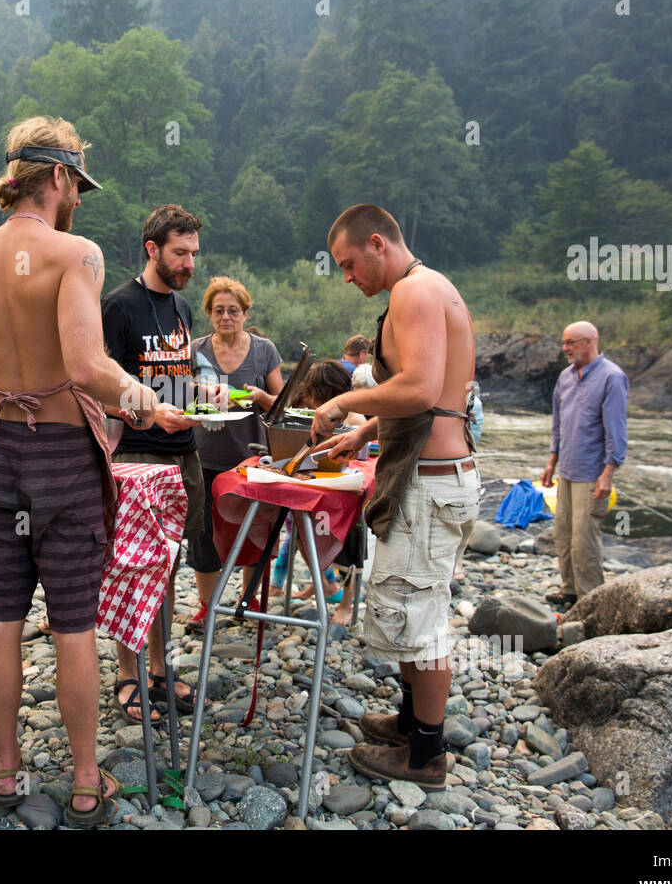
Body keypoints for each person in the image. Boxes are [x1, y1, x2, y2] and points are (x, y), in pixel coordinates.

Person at [0, 116, 166, 826]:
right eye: (80, 186)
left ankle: (7, 773)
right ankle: (80, 783)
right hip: (64, 457)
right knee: (74, 624)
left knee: (3, 619)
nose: (81, 201)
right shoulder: (76, 253)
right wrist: (148, 403)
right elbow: (85, 367)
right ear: (62, 178)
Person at [310, 203, 480, 790]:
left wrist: (342, 404)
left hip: (432, 483)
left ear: (378, 244)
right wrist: (362, 434)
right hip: (436, 473)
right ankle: (412, 725)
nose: (350, 277)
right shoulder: (431, 287)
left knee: (425, 621)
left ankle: (425, 757)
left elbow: (420, 385)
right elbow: (428, 401)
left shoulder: (413, 293)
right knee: (415, 610)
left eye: (350, 264)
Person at [101, 203, 212, 723]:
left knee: (168, 566)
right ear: (152, 249)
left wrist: (206, 399)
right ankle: (128, 673)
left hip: (184, 453)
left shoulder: (184, 310)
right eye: (180, 253)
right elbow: (97, 388)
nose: (190, 263)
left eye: (193, 253)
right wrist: (146, 411)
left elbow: (177, 381)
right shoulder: (119, 306)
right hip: (137, 453)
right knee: (134, 566)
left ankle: (162, 670)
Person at [187, 276, 285, 626]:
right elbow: (179, 397)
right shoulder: (195, 350)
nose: (225, 316)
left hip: (254, 457)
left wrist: (259, 397)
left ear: (245, 313)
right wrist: (197, 393)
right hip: (205, 456)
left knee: (257, 529)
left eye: (233, 310)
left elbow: (283, 404)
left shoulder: (263, 350)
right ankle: (206, 606)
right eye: (218, 311)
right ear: (209, 315)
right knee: (203, 535)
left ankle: (252, 601)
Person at [538, 321, 628, 605]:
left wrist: (608, 473)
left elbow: (616, 429)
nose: (565, 348)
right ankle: (569, 590)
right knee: (562, 533)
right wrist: (551, 460)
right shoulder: (564, 377)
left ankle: (591, 599)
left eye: (571, 342)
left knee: (584, 538)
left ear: (590, 341)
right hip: (566, 468)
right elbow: (558, 423)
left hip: (592, 471)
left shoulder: (612, 377)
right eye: (564, 342)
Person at [273, 360, 366, 625]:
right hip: (313, 488)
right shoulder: (304, 414)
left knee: (350, 546)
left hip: (346, 492)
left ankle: (347, 602)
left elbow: (365, 458)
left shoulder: (356, 418)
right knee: (303, 537)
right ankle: (321, 583)